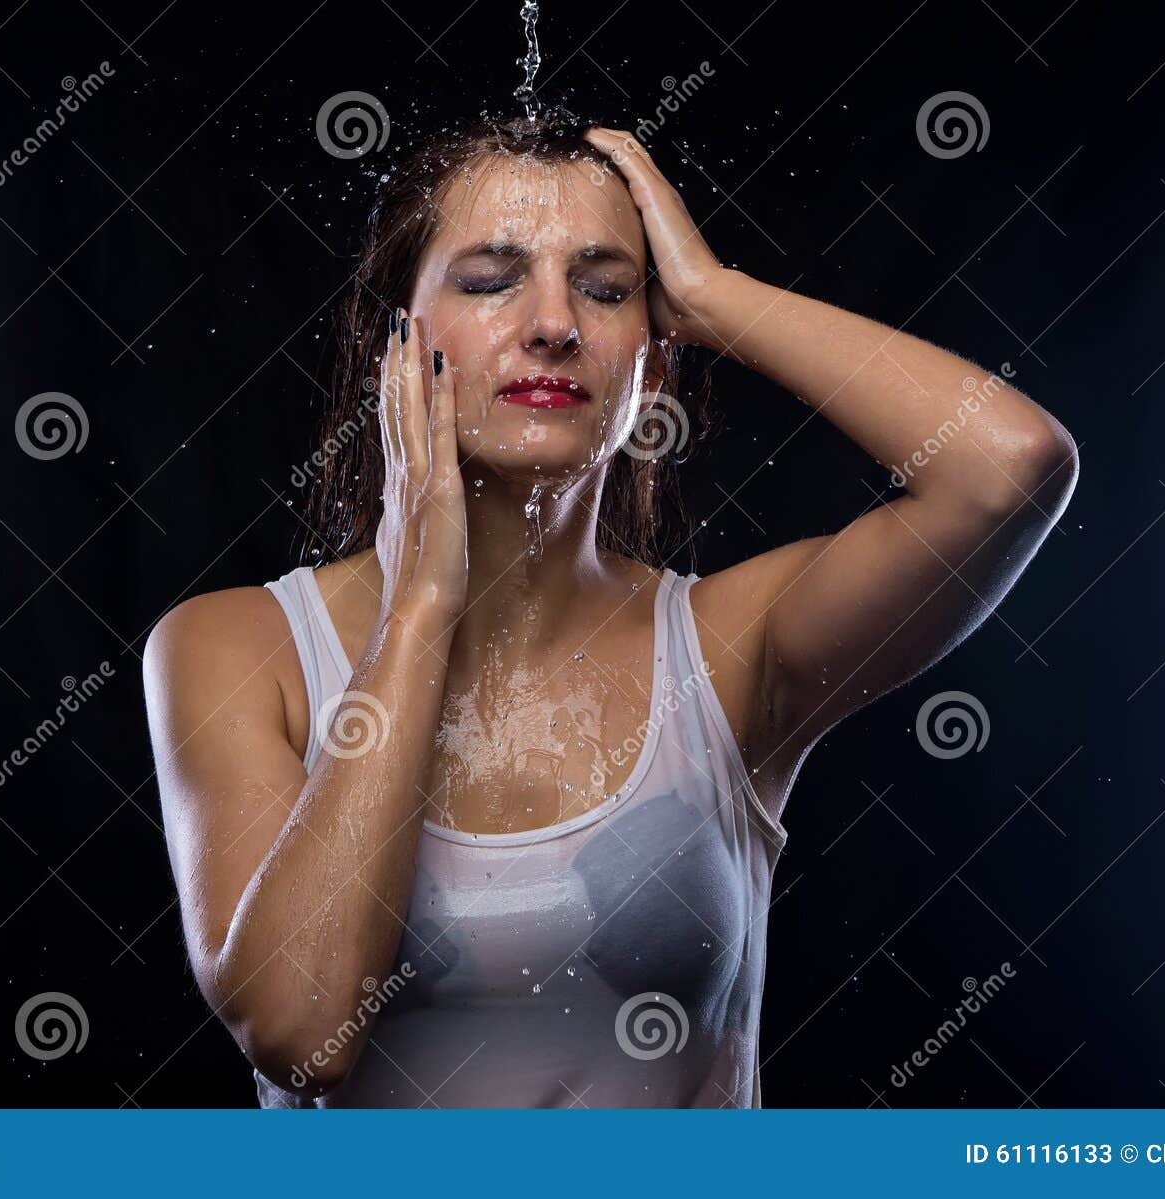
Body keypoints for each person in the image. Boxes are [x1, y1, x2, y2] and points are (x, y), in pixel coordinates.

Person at [143, 111, 1078, 1107]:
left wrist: (716, 298)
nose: (553, 323)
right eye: (489, 279)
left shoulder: (728, 645)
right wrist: (420, 603)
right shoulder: (236, 647)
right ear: (395, 346)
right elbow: (300, 1028)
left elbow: (1004, 469)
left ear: (655, 355)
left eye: (604, 288)